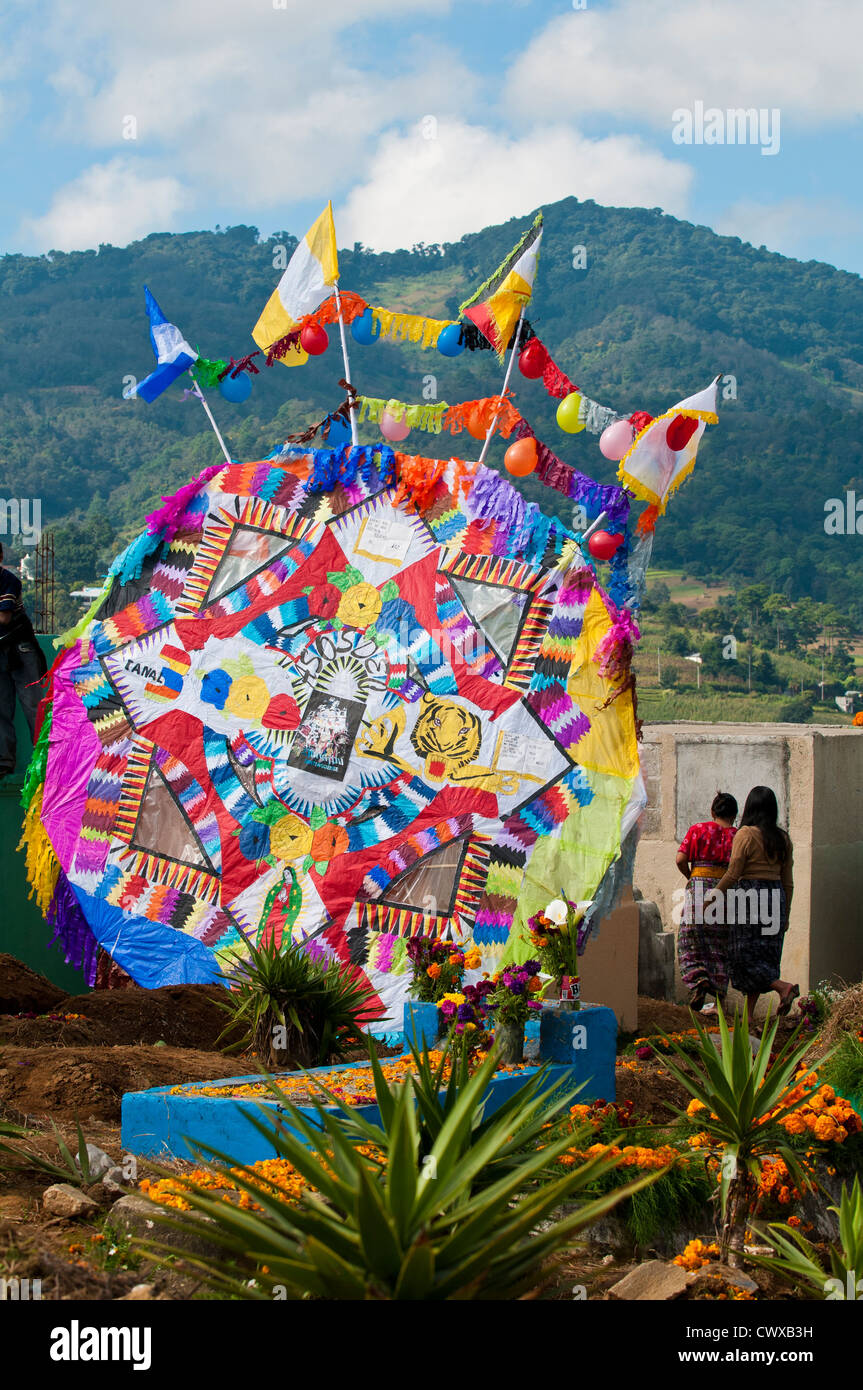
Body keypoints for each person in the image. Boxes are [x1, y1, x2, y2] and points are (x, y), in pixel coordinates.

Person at [709, 785, 798, 1020]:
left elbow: (733, 873)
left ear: (749, 807)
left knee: (742, 957)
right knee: (764, 956)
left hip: (750, 898)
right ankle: (748, 1019)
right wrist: (785, 915)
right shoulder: (783, 839)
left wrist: (712, 897)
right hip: (775, 898)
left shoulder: (745, 834)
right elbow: (788, 882)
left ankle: (782, 987)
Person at [676, 791, 738, 1010]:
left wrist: (692, 877)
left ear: (713, 811)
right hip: (725, 892)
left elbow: (680, 859)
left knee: (689, 939)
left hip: (698, 888)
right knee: (721, 944)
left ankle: (698, 980)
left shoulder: (698, 830)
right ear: (735, 815)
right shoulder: (738, 836)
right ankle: (720, 999)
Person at [0, 543, 47, 777]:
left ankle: (47, 761)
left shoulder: (8, 580)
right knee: (1, 707)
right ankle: (4, 761)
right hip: (2, 651)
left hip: (20, 649)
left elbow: (4, 618)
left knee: (34, 705)